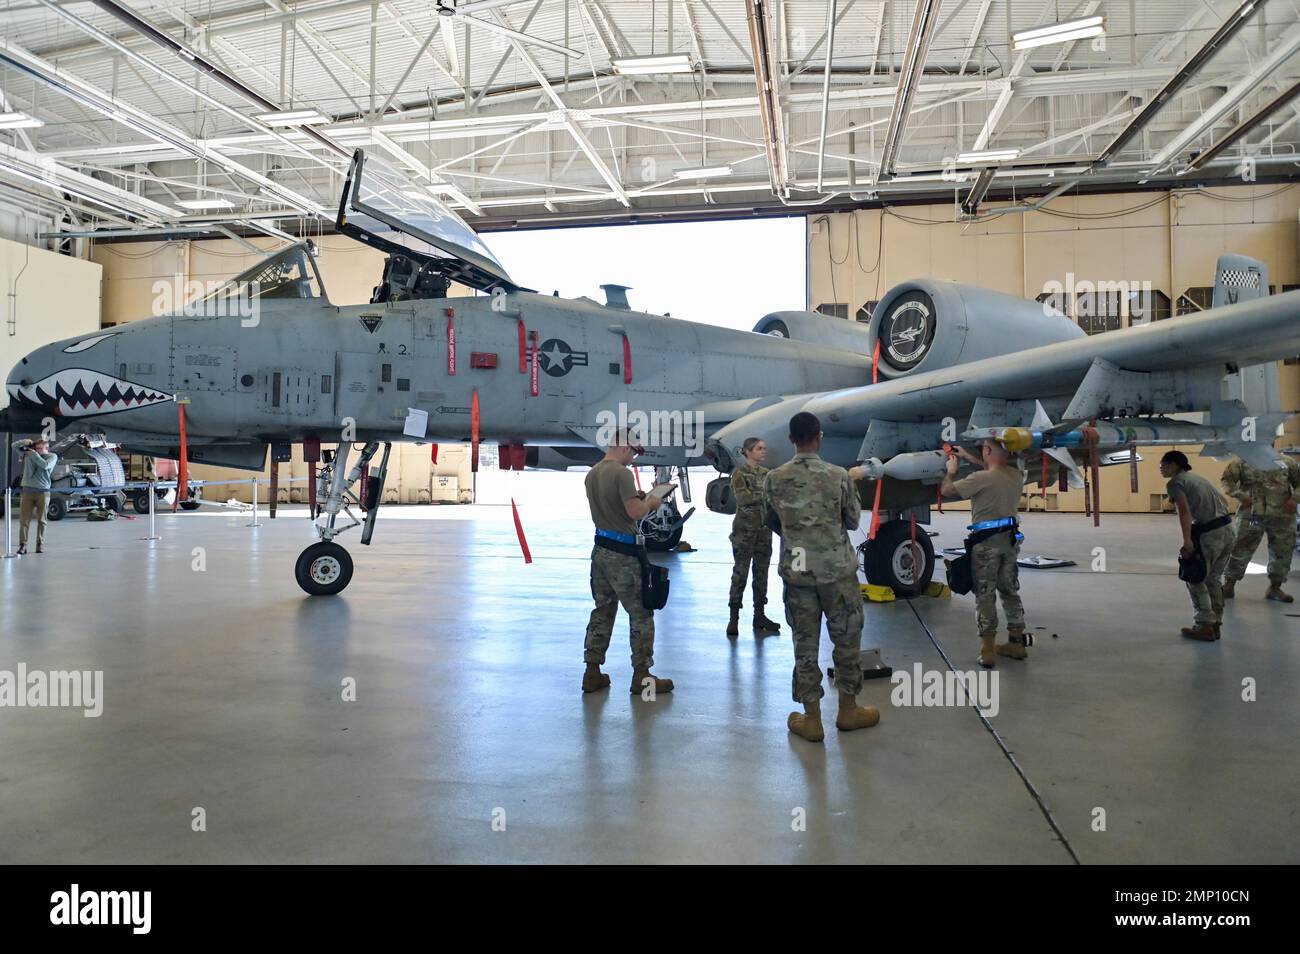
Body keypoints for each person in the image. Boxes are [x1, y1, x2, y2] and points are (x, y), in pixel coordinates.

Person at [763, 411, 878, 743]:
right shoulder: (838, 475)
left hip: (798, 574)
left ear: (790, 440)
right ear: (819, 436)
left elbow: (772, 520)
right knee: (846, 640)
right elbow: (854, 521)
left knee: (805, 645)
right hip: (837, 573)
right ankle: (848, 710)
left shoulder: (774, 478)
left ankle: (812, 719)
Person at [581, 430, 674, 696]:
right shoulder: (621, 473)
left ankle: (592, 672)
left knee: (603, 610)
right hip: (623, 555)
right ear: (624, 447)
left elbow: (616, 506)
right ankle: (642, 677)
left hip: (600, 551)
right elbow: (633, 512)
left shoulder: (593, 473)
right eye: (633, 452)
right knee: (641, 614)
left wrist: (637, 498)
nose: (633, 458)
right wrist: (652, 503)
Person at [941, 439, 1026, 668]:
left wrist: (951, 472)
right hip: (1009, 543)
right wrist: (970, 458)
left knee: (985, 594)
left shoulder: (980, 479)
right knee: (1009, 590)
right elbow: (994, 472)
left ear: (987, 451)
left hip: (985, 546)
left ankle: (987, 650)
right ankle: (1016, 643)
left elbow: (947, 491)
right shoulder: (1015, 475)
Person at [1160, 450, 1233, 641]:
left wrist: (1187, 542)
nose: (1161, 468)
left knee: (1195, 577)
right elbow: (1224, 501)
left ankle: (1203, 626)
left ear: (1175, 465)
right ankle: (1215, 624)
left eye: (1164, 464)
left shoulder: (1176, 483)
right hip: (1227, 529)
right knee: (1214, 579)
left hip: (1209, 534)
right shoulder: (1198, 478)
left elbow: (1184, 511)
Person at [1220, 454, 1300, 603]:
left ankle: (1275, 588)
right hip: (1251, 513)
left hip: (1282, 515)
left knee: (1282, 551)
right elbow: (1226, 480)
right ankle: (1229, 585)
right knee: (1240, 548)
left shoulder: (1287, 462)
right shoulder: (1242, 462)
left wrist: (1294, 499)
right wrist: (1241, 496)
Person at [727, 437, 781, 638]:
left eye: (764, 448)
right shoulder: (739, 474)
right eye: (759, 449)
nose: (763, 452)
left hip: (764, 531)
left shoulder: (767, 474)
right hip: (744, 532)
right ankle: (734, 618)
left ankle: (760, 614)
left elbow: (774, 499)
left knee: (762, 574)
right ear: (748, 451)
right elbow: (743, 499)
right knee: (740, 574)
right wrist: (765, 494)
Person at [14, 436, 57, 556]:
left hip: (43, 492)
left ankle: (40, 543)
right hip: (27, 491)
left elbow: (45, 466)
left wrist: (34, 454)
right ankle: (23, 545)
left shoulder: (52, 457)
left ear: (46, 448)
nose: (36, 450)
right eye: (35, 448)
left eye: (39, 448)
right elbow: (14, 445)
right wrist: (28, 442)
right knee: (24, 520)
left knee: (42, 520)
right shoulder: (28, 454)